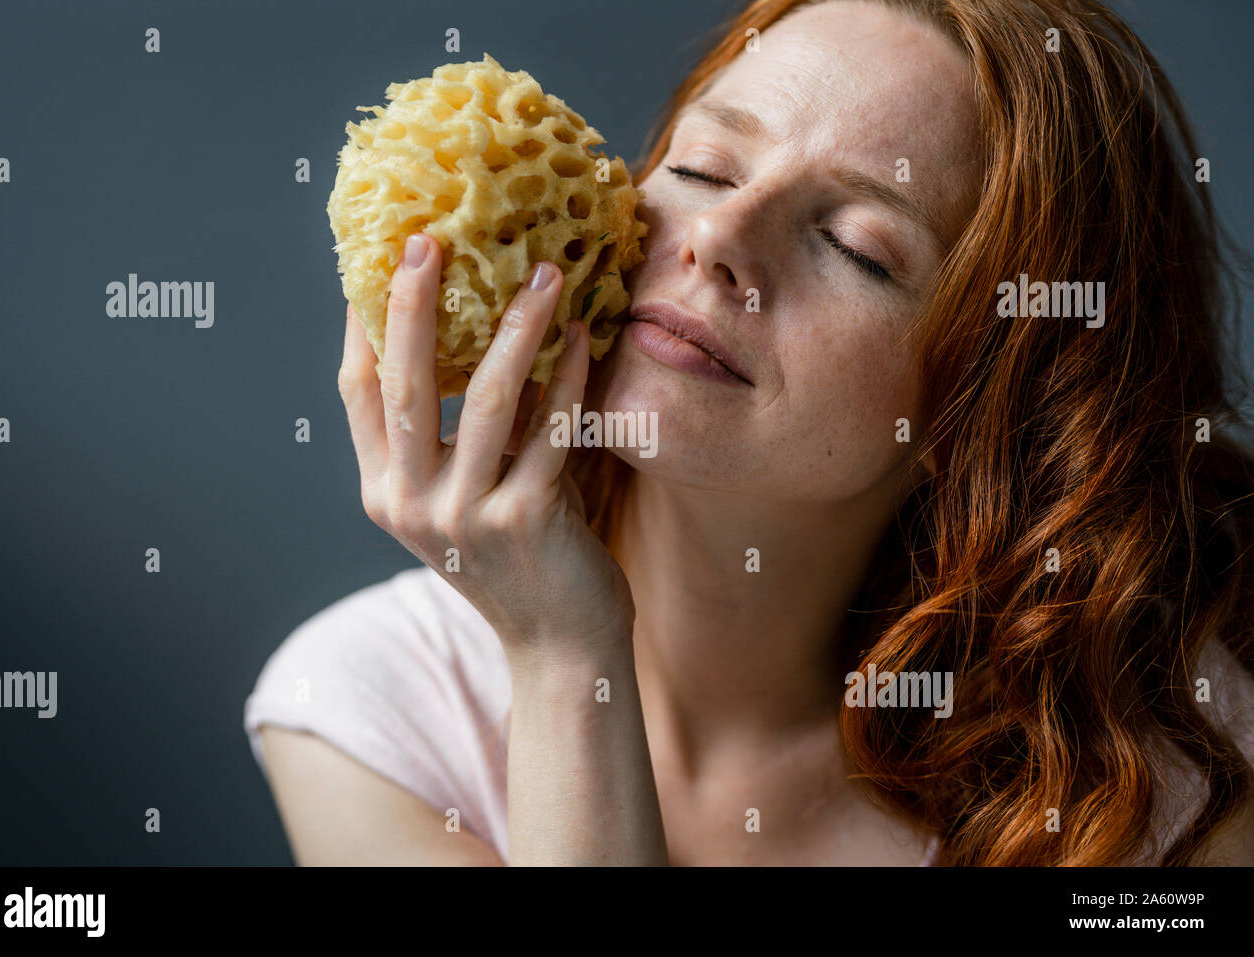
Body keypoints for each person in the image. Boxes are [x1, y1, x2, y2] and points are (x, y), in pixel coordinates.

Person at [245, 0, 1254, 865]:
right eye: (704, 167)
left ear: (987, 404)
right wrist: (564, 660)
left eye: (857, 248)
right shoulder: (369, 710)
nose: (719, 238)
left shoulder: (1157, 783)